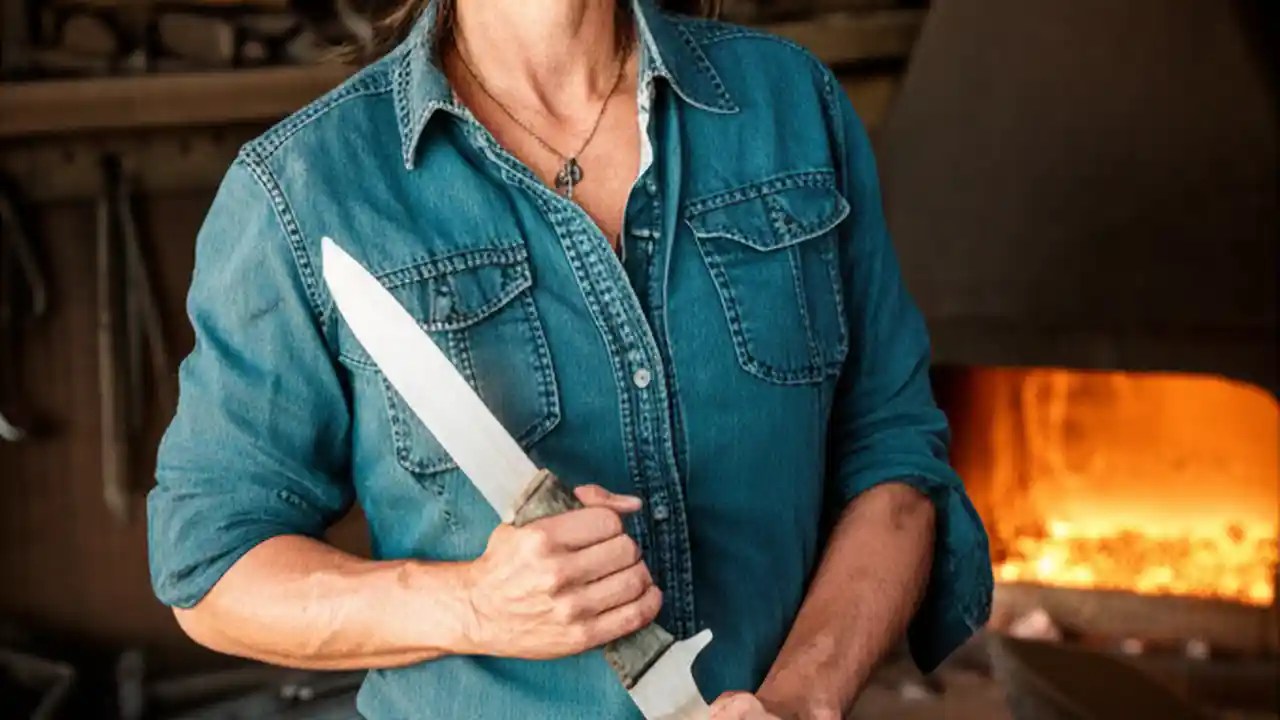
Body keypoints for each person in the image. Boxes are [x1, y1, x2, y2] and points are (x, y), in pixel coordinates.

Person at [146, 0, 993, 717]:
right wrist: (471, 606)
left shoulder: (791, 106)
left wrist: (796, 700)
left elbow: (893, 460)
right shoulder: (302, 189)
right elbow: (212, 574)